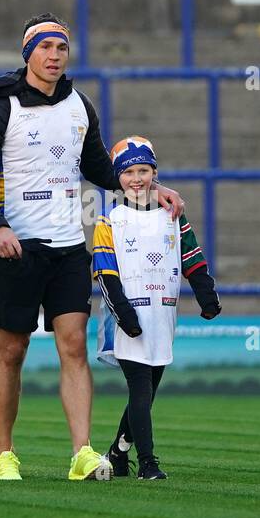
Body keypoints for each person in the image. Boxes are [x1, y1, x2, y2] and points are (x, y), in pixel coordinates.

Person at [0, 13, 185, 481]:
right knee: (12, 350)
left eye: (61, 48)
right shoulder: (1, 107)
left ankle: (81, 452)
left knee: (74, 344)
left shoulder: (80, 105)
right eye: (45, 48)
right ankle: (4, 454)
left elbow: (101, 168)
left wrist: (149, 188)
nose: (55, 56)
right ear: (28, 54)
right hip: (16, 249)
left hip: (68, 247)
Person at [92, 137, 220, 480]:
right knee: (140, 389)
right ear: (118, 177)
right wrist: (125, 315)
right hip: (128, 318)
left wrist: (206, 294)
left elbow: (192, 257)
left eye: (144, 170)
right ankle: (148, 463)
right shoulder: (109, 219)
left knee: (147, 394)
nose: (137, 178)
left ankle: (118, 453)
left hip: (163, 316)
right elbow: (105, 273)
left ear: (155, 173)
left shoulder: (173, 214)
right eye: (129, 171)